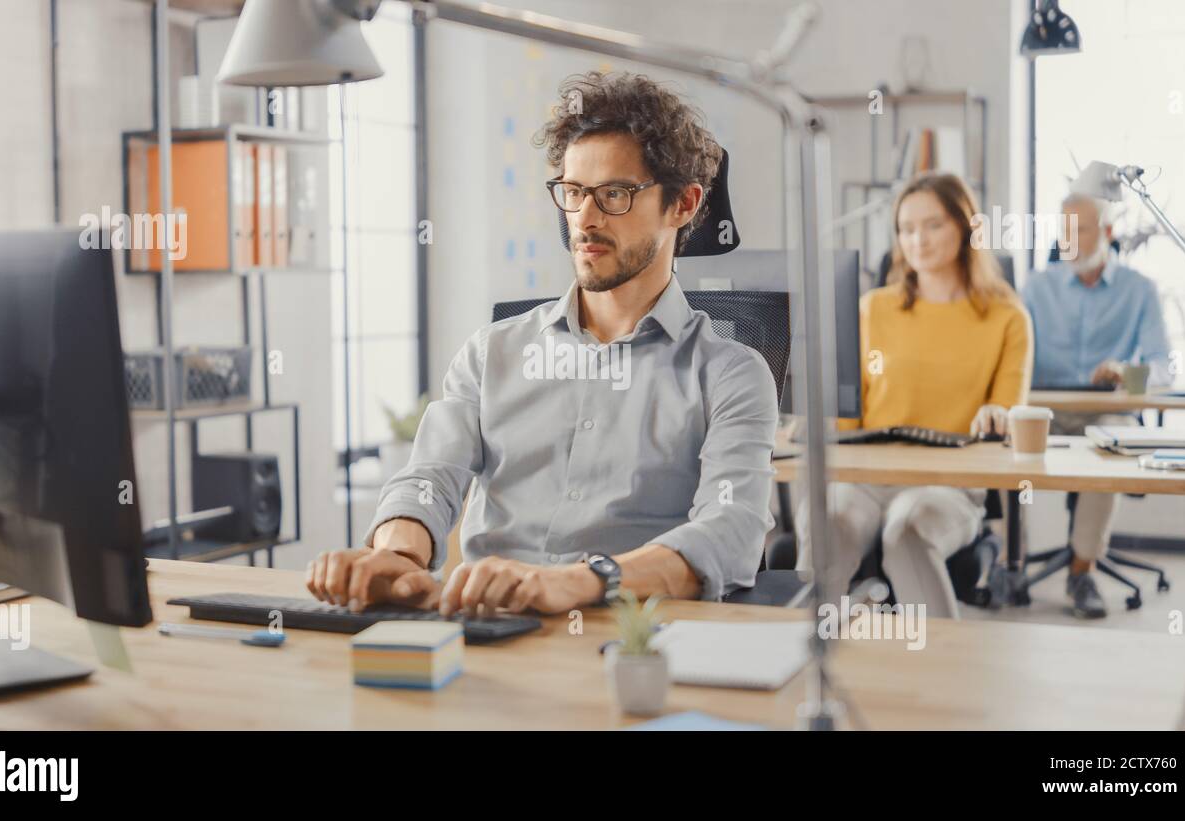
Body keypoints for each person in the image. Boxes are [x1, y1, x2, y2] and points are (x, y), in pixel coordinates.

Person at [306, 71, 777, 616]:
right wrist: (400, 555)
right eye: (573, 192)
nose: (585, 219)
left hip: (626, 646)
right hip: (483, 633)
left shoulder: (730, 374)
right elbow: (433, 475)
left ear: (684, 204)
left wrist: (580, 581)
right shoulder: (491, 354)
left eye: (615, 194)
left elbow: (732, 529)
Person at [797, 172, 1032, 619]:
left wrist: (995, 415)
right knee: (826, 519)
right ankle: (805, 661)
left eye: (932, 225)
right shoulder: (874, 308)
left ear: (965, 227)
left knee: (907, 527)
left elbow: (1007, 411)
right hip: (868, 476)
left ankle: (942, 671)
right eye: (906, 229)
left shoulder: (1007, 317)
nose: (917, 240)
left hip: (952, 485)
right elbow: (847, 416)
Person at [1020, 192, 1172, 619]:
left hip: (1107, 410)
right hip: (1045, 407)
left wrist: (1127, 370)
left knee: (1109, 443)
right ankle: (1003, 561)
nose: (1069, 242)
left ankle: (1081, 569)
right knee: (1001, 439)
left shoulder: (1140, 291)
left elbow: (1163, 365)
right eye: (1063, 231)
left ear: (1108, 232)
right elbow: (1009, 351)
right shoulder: (1036, 287)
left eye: (1080, 230)